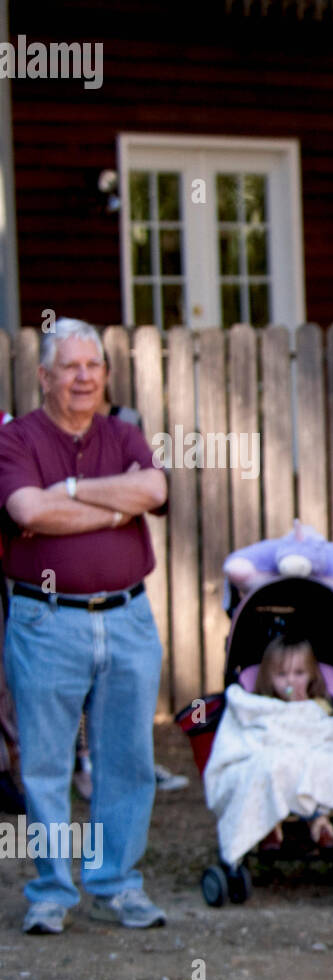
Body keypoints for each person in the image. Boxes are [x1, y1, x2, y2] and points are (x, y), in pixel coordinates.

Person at [0, 318, 168, 934]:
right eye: (69, 367)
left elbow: (151, 488)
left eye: (92, 366)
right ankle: (50, 890)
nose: (82, 377)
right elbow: (26, 509)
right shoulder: (16, 439)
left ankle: (115, 883)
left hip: (127, 616)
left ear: (105, 375)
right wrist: (110, 505)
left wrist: (67, 491)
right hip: (46, 622)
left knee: (126, 757)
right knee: (44, 760)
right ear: (44, 376)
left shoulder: (125, 433)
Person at [203, 636, 333, 864]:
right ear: (268, 677)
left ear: (312, 675)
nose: (290, 680)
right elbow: (249, 736)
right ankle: (270, 827)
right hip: (275, 754)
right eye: (282, 675)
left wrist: (302, 706)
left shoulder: (320, 705)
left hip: (309, 754)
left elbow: (331, 732)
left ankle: (322, 827)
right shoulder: (258, 706)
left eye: (299, 673)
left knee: (325, 765)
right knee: (266, 765)